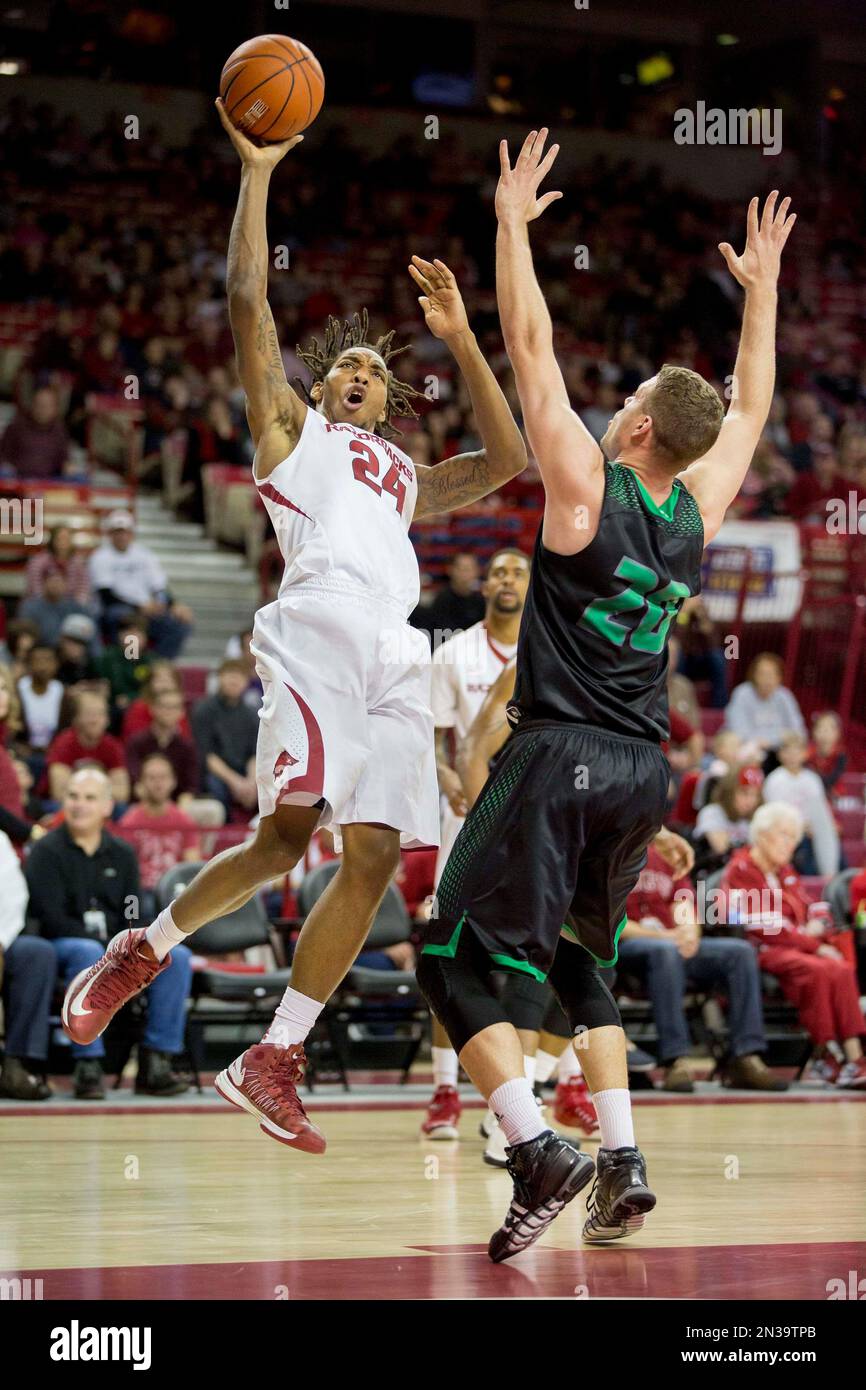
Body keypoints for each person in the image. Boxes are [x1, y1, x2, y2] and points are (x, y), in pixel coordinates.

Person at [61, 102, 527, 1157]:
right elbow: (243, 300)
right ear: (324, 387)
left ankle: (273, 1052)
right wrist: (257, 170)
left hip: (396, 649)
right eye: (347, 365)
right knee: (284, 834)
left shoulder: (404, 473)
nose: (360, 372)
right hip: (317, 627)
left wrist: (462, 338)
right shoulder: (293, 432)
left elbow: (504, 463)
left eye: (377, 370)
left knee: (365, 857)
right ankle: (148, 945)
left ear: (392, 399)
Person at [415, 131, 796, 1260]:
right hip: (642, 768)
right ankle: (622, 1158)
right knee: (581, 960)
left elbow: (528, 342)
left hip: (556, 753)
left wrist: (507, 224)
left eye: (620, 400)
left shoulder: (583, 487)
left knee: (448, 956)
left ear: (632, 427)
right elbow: (753, 411)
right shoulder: (698, 507)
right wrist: (761, 297)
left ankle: (534, 1144)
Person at [421, 548, 528, 1147]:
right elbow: (431, 740)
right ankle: (444, 1090)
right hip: (464, 818)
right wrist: (450, 780)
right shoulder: (453, 653)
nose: (507, 579)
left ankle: (541, 1085)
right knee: (449, 953)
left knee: (535, 957)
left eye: (518, 571)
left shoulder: (550, 648)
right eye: (499, 571)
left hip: (530, 823)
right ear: (483, 583)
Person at [27, 768, 193, 1100]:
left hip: (114, 947)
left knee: (179, 956)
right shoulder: (45, 851)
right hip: (62, 945)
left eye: (89, 798)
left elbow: (133, 908)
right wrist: (108, 951)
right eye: (73, 796)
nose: (79, 805)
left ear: (107, 806)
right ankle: (88, 1065)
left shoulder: (122, 853)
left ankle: (156, 1061)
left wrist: (133, 940)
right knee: (85, 951)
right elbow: (51, 916)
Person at [619, 844, 787, 1092]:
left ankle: (745, 1056)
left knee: (739, 952)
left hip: (672, 943)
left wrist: (689, 932)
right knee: (665, 953)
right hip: (625, 949)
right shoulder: (612, 850)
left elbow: (683, 902)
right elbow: (608, 921)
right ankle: (676, 1061)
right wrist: (667, 938)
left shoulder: (666, 853)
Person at [721, 803, 866, 1088]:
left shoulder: (785, 871)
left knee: (840, 967)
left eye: (794, 838)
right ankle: (828, 1054)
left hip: (795, 948)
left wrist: (817, 929)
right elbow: (764, 926)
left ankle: (854, 1057)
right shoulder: (741, 869)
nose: (791, 844)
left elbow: (816, 908)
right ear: (762, 835)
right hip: (761, 951)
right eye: (784, 836)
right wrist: (813, 943)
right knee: (819, 968)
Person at [88, 509, 194, 658]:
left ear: (132, 534)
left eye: (125, 532)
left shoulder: (145, 555)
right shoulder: (100, 557)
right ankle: (127, 665)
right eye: (117, 532)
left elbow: (159, 588)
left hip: (146, 609)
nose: (122, 536)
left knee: (180, 625)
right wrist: (140, 607)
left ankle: (157, 665)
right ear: (110, 534)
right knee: (124, 618)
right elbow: (106, 596)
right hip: (116, 610)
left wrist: (173, 604)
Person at [116, 753, 201, 916]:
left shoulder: (184, 821)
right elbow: (124, 871)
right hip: (143, 893)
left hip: (176, 890)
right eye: (152, 778)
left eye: (163, 777)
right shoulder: (129, 823)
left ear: (173, 781)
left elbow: (192, 866)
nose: (158, 784)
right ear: (141, 782)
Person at [763, 732, 840, 877]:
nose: (792, 756)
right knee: (803, 844)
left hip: (812, 829)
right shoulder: (775, 780)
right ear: (780, 754)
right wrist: (802, 826)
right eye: (788, 751)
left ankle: (833, 875)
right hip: (785, 830)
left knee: (829, 833)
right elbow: (774, 814)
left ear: (805, 754)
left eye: (796, 751)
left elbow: (820, 810)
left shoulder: (812, 779)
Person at [190, 659, 259, 815]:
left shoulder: (251, 714)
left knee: (271, 787)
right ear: (219, 678)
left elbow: (254, 753)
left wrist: (251, 781)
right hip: (216, 772)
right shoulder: (203, 709)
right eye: (229, 674)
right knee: (215, 787)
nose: (234, 680)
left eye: (240, 676)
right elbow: (207, 755)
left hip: (244, 771)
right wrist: (235, 782)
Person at [46, 688, 129, 805]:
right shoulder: (64, 743)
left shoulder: (112, 746)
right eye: (89, 714)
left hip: (96, 802)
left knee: (120, 808)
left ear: (107, 720)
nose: (95, 720)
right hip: (68, 804)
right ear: (76, 718)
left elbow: (122, 793)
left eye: (100, 714)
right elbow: (59, 792)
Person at [724, 653, 806, 764]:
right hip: (751, 750)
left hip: (779, 751)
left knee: (794, 754)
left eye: (771, 675)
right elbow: (739, 731)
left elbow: (799, 731)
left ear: (779, 677)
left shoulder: (785, 696)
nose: (767, 679)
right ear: (754, 675)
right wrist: (769, 740)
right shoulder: (742, 694)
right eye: (762, 674)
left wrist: (772, 741)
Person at [0, 385, 69, 479]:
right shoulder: (16, 427)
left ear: (55, 409)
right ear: (32, 405)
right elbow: (3, 456)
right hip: (17, 483)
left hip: (48, 484)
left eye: (47, 406)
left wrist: (68, 467)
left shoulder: (59, 431)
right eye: (39, 404)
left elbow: (64, 461)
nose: (43, 409)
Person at [415, 553, 486, 641]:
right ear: (450, 570)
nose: (464, 574)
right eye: (461, 569)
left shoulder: (482, 602)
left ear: (477, 571)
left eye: (469, 569)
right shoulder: (440, 601)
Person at [17, 569, 94, 649]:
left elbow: (90, 629)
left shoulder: (74, 606)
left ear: (65, 585)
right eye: (52, 582)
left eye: (59, 582)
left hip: (68, 651)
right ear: (44, 583)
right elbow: (25, 631)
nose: (55, 586)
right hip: (41, 649)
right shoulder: (30, 606)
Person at [24, 524, 92, 606]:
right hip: (42, 605)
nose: (63, 542)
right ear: (52, 540)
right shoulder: (37, 562)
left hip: (70, 605)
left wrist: (76, 605)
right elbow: (35, 590)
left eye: (66, 539)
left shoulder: (79, 563)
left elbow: (83, 590)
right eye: (60, 539)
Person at [16, 643, 65, 754]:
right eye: (37, 660)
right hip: (24, 753)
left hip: (53, 753)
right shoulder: (18, 690)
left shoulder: (63, 693)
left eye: (48, 660)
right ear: (28, 664)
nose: (42, 666)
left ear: (56, 664)